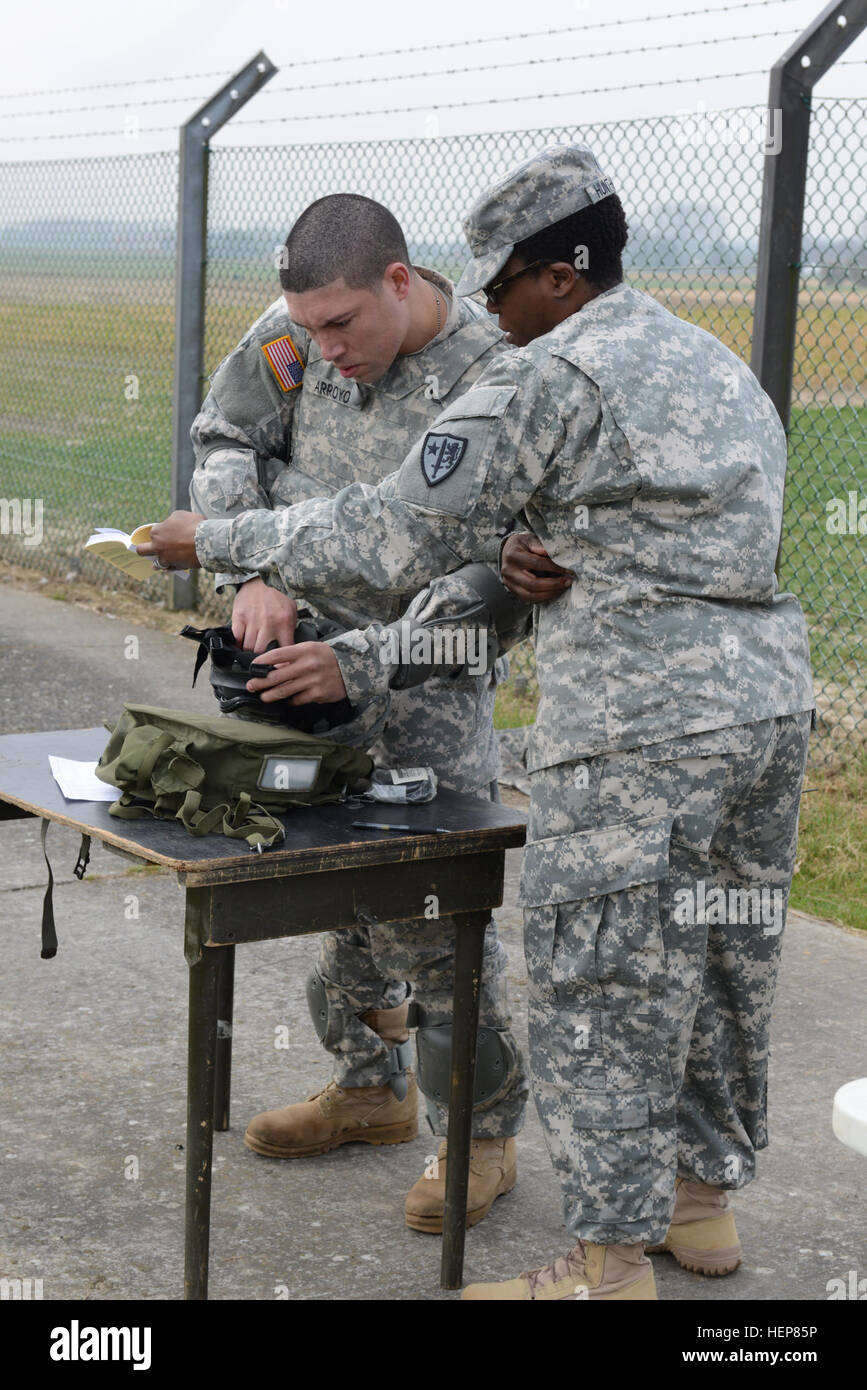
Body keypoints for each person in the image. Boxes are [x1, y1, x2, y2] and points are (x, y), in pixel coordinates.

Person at [143, 144, 815, 1301]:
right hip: (766, 707)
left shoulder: (541, 373)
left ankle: (605, 1266)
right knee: (722, 955)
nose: (496, 314)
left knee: (596, 977)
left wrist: (219, 541)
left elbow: (389, 534)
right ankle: (702, 1209)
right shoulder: (713, 365)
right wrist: (542, 554)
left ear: (559, 275)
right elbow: (665, 530)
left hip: (636, 726)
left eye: (503, 287)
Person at [177, 193, 532, 1235]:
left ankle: (480, 1137)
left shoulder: (490, 372)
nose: (325, 351)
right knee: (329, 882)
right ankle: (369, 1087)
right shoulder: (291, 333)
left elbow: (493, 574)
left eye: (343, 326)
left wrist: (370, 661)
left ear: (401, 280)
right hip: (291, 666)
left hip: (423, 676)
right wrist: (251, 565)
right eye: (308, 329)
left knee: (434, 910)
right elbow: (225, 436)